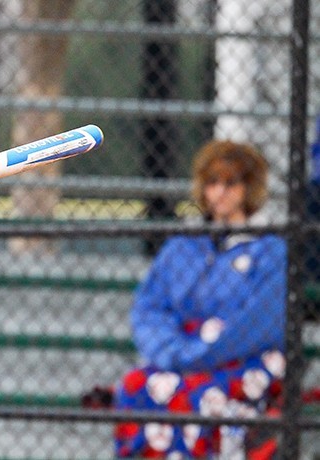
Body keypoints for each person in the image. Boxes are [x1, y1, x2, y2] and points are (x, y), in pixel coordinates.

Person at [113, 140, 286, 458]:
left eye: (231, 183)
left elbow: (258, 323)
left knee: (200, 396)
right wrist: (172, 351)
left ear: (250, 188)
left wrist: (200, 355)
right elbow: (150, 307)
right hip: (179, 355)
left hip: (241, 360)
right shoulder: (182, 244)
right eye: (212, 182)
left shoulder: (269, 248)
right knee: (135, 385)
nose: (220, 192)